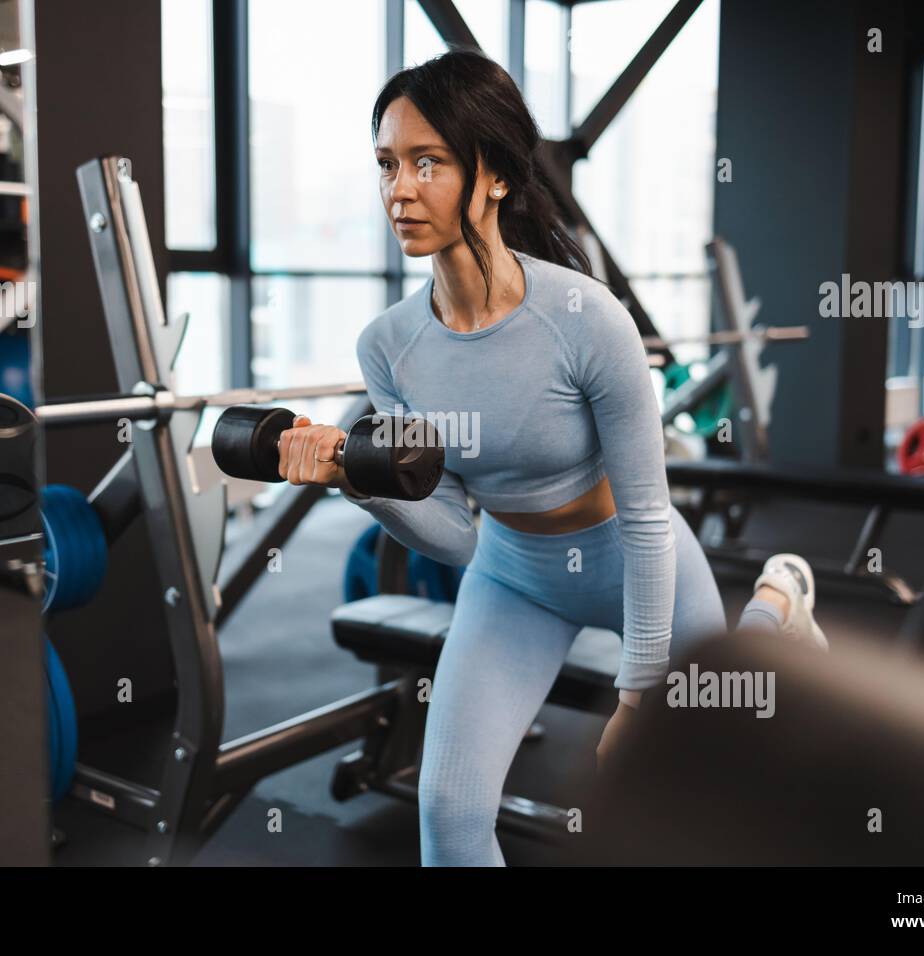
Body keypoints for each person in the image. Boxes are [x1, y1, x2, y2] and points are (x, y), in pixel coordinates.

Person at [275, 50, 827, 866]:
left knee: (708, 776)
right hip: (511, 576)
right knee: (450, 810)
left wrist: (638, 695)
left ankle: (776, 607)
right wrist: (353, 480)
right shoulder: (389, 345)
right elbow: (454, 533)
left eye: (428, 162)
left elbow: (645, 516)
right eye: (387, 163)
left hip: (636, 560)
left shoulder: (585, 319)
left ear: (493, 174)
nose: (399, 188)